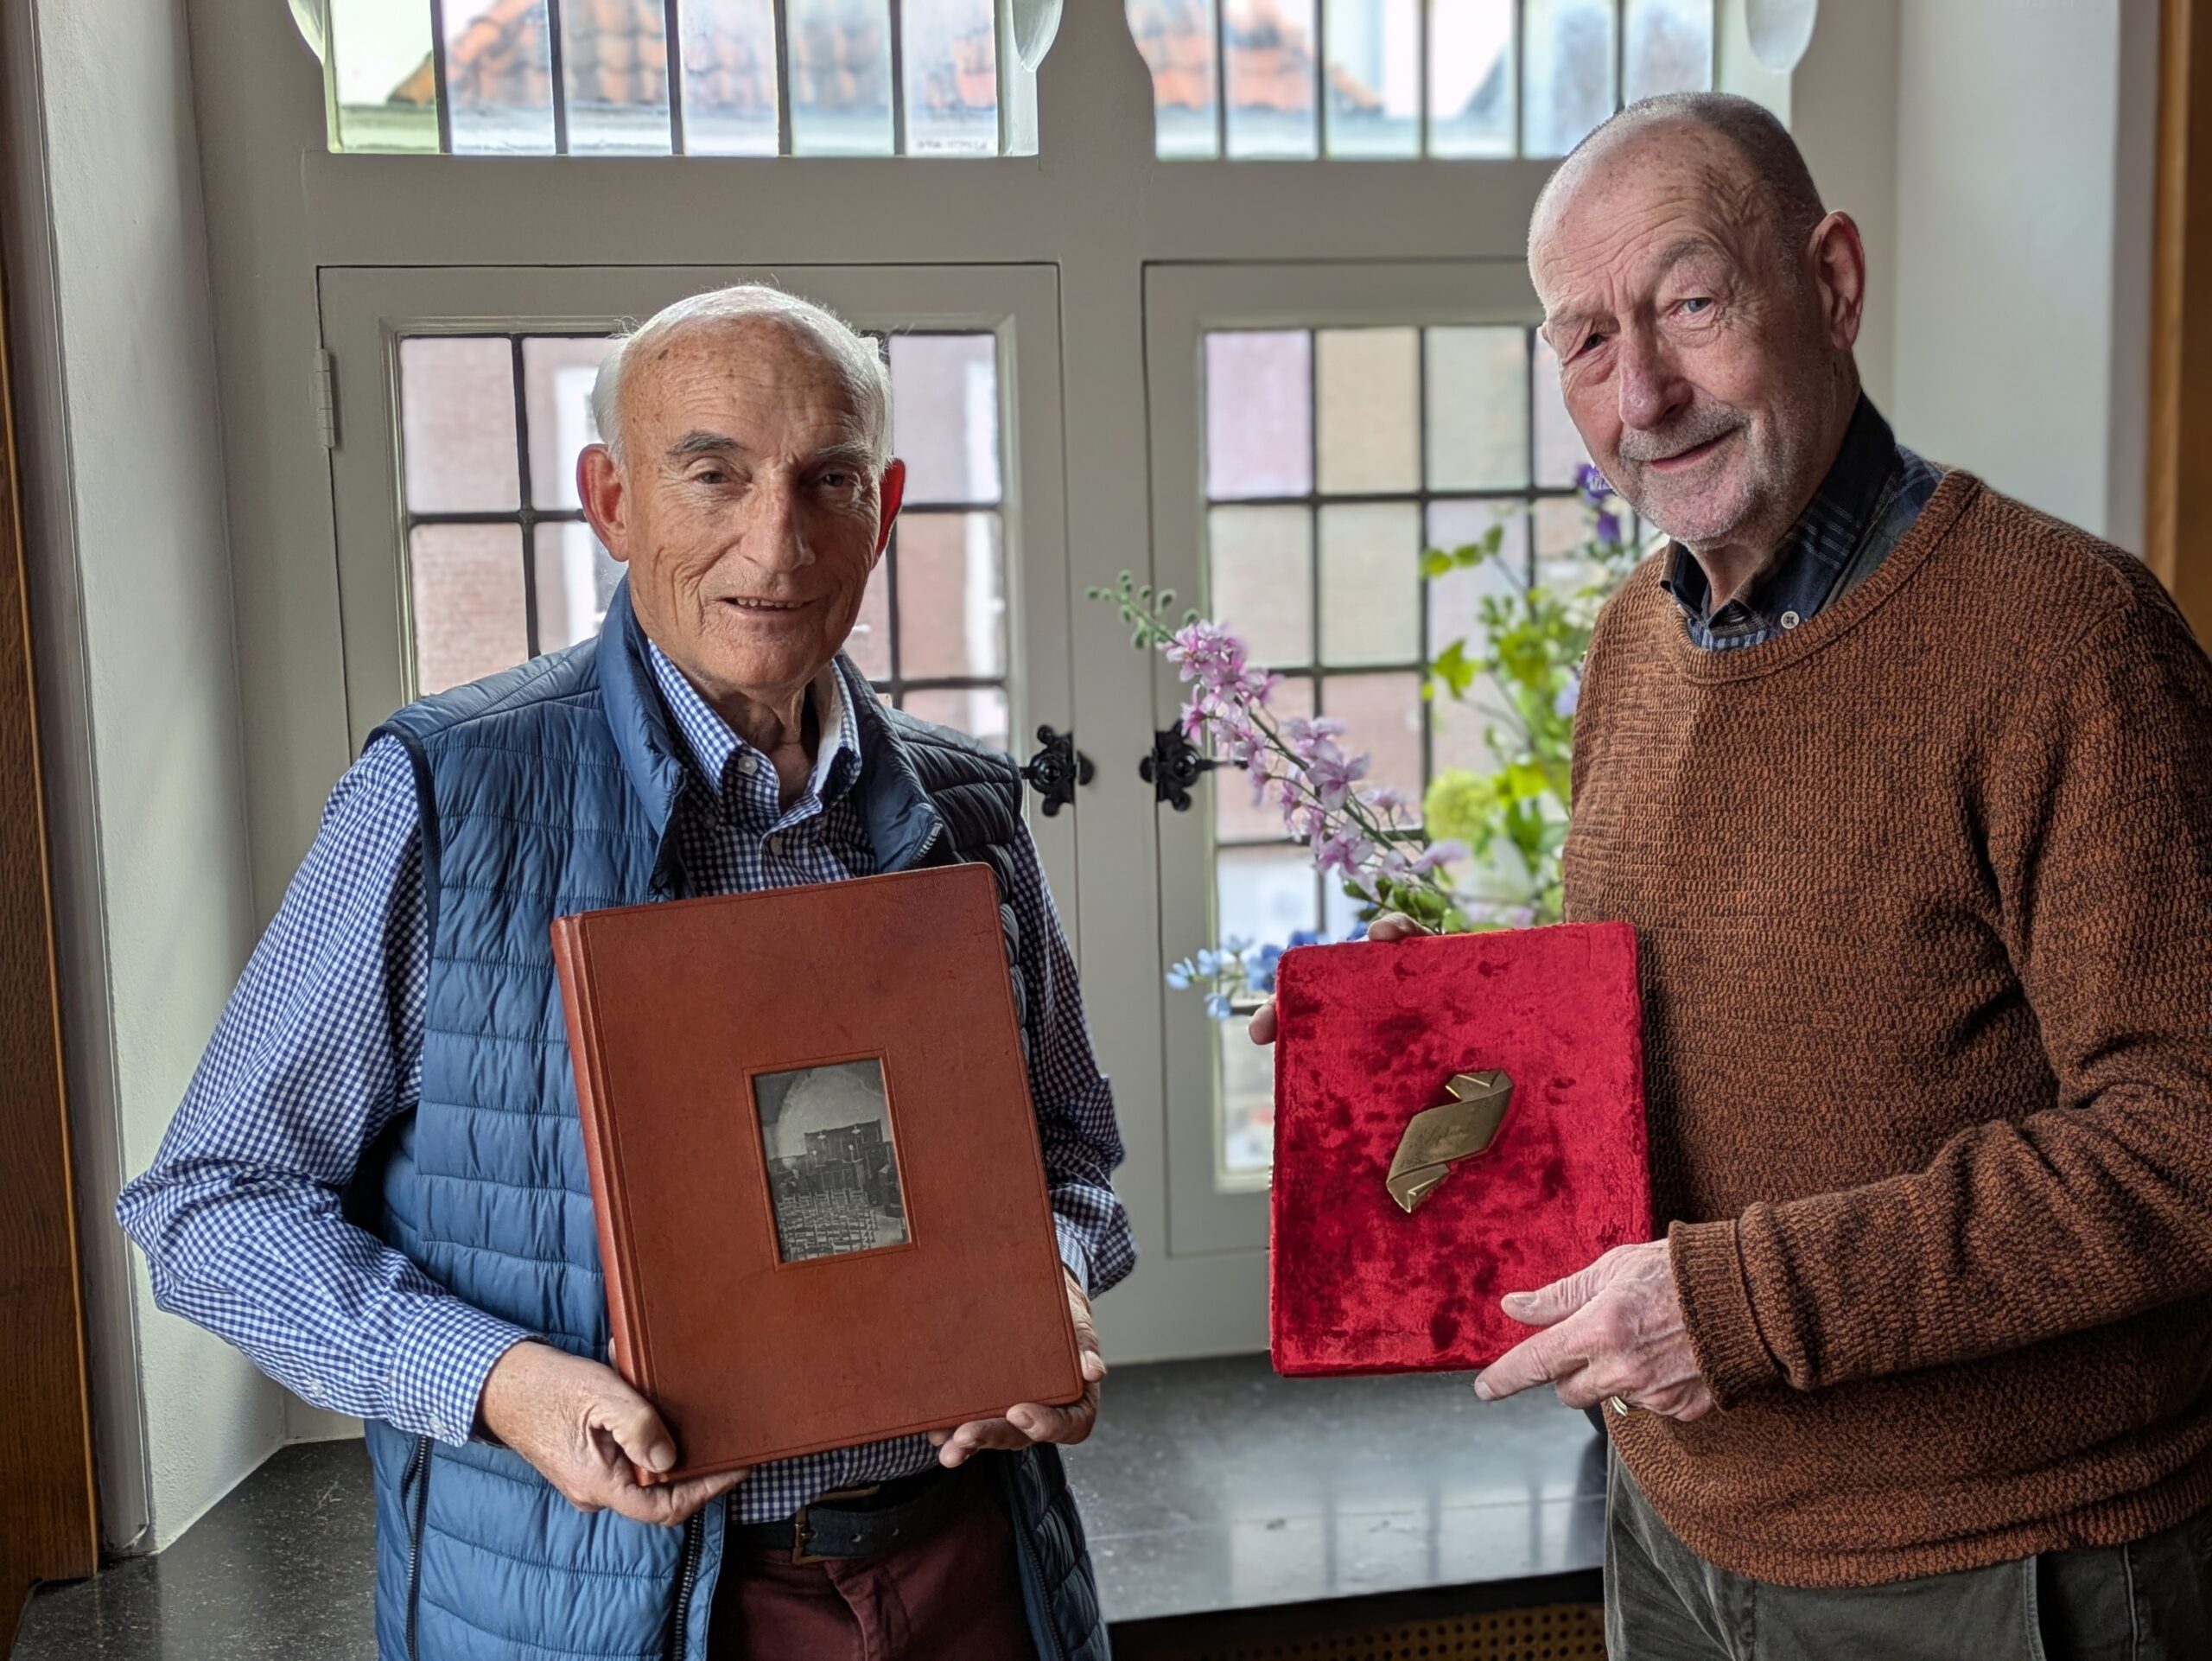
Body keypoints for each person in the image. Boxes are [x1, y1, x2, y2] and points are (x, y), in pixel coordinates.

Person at [1255, 92, 2212, 1656]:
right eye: (1583, 339)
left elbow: (2189, 1135)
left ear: (1830, 283)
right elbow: (1685, 1016)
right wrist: (1404, 1052)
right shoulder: (1635, 639)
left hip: (1993, 1565)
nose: (1644, 391)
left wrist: (1748, 1306)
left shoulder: (2069, 640)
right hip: (1682, 1530)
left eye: (1692, 303)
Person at [118, 284, 1133, 1661]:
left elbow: (1070, 1152)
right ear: (610, 499)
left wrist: (1049, 1286)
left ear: (883, 505)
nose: (774, 541)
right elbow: (208, 1203)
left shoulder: (972, 811)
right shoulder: (442, 795)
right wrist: (500, 1382)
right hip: (597, 1610)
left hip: (970, 1577)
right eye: (712, 472)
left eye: (827, 480)